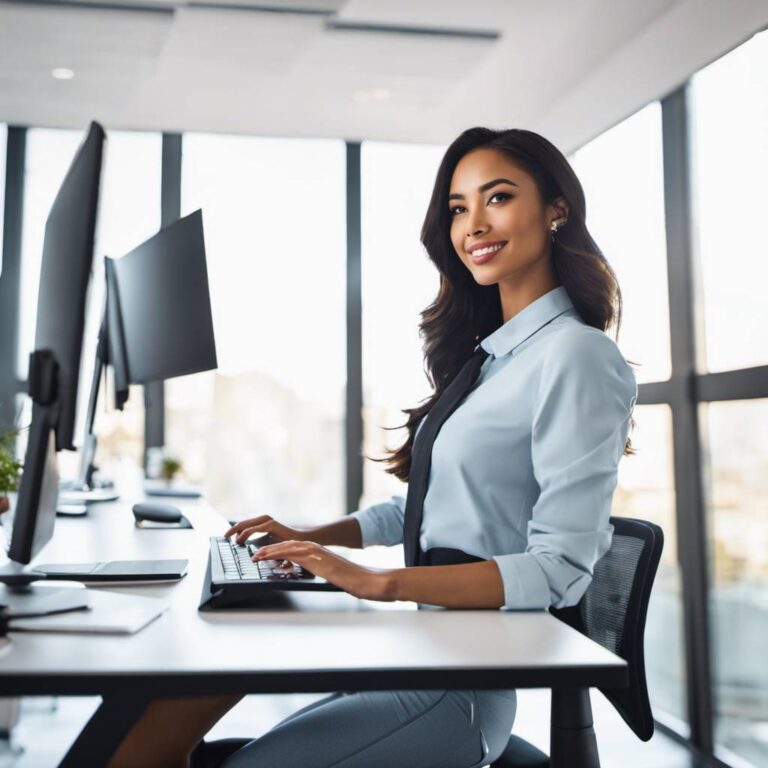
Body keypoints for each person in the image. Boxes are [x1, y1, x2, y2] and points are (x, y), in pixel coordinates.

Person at [107, 127, 638, 768]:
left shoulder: (575, 355)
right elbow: (420, 505)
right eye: (458, 208)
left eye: (497, 197)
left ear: (557, 209)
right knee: (190, 747)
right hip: (418, 649)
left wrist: (375, 582)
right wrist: (307, 539)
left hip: (458, 689)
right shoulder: (494, 358)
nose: (474, 223)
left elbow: (560, 569)